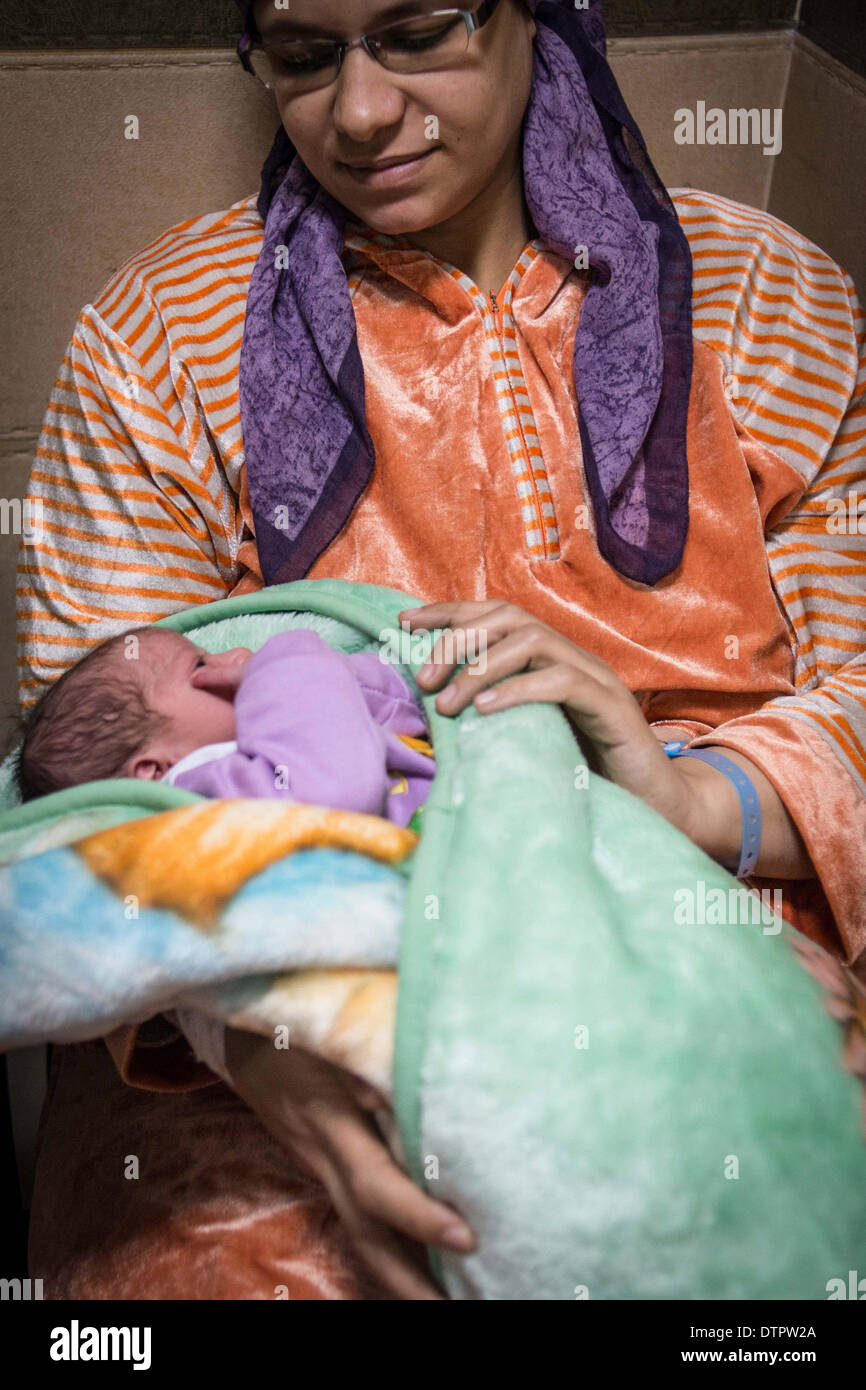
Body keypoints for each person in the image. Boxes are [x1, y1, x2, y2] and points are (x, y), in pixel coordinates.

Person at [17, 0, 866, 1299]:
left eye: (416, 32)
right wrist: (281, 1049)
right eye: (303, 55)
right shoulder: (156, 346)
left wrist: (688, 797)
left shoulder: (765, 301)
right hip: (275, 992)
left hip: (707, 914)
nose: (357, 113)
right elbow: (90, 813)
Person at [13, 624, 435, 828]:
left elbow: (389, 698)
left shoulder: (283, 730)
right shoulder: (198, 799)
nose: (233, 655)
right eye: (200, 665)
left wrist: (326, 672)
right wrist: (287, 660)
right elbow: (337, 793)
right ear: (153, 772)